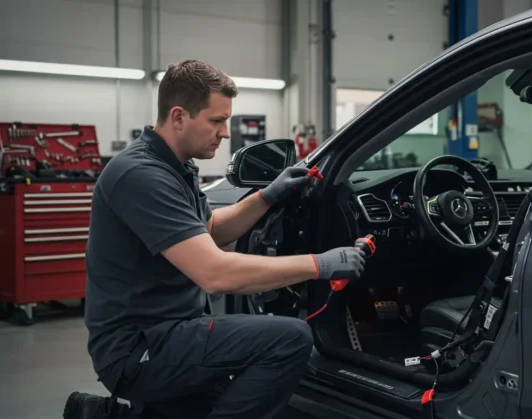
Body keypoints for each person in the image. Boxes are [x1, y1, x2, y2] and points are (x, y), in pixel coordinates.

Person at [63, 60, 366, 419]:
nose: (225, 132)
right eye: (217, 120)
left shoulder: (177, 167)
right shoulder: (140, 175)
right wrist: (320, 265)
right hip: (139, 348)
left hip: (172, 331)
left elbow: (210, 230)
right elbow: (215, 273)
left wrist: (267, 196)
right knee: (290, 339)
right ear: (178, 117)